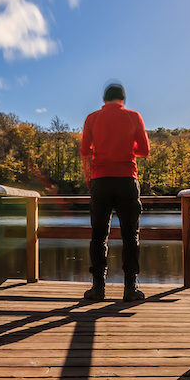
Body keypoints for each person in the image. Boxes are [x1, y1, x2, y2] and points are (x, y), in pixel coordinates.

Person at [80, 81, 150, 301]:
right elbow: (145, 151)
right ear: (123, 99)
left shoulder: (92, 118)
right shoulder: (134, 117)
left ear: (104, 99)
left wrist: (89, 179)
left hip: (101, 181)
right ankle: (130, 288)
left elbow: (85, 151)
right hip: (127, 180)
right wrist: (127, 147)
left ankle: (98, 288)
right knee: (131, 236)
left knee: (99, 235)